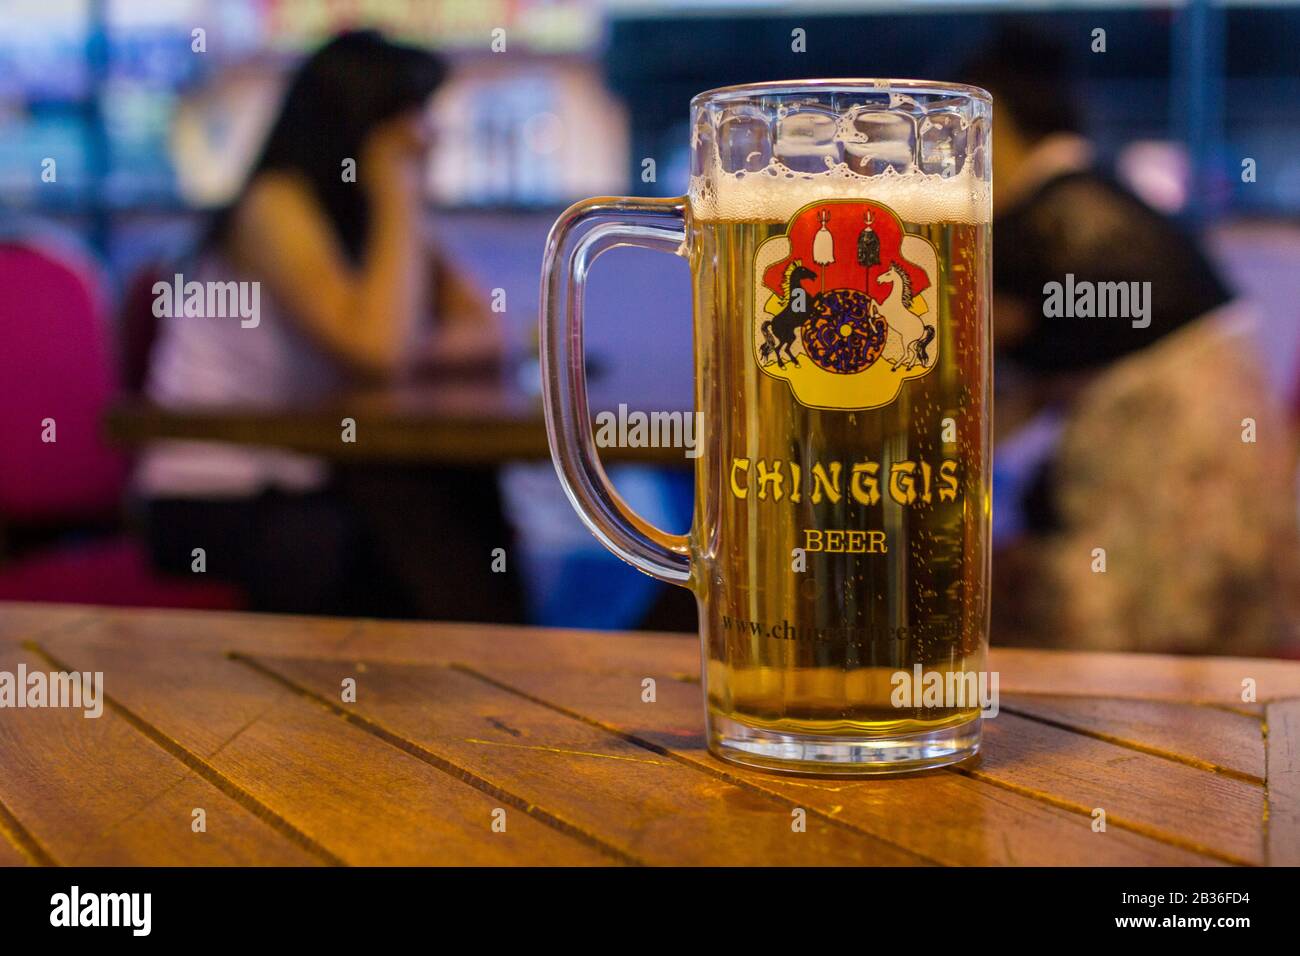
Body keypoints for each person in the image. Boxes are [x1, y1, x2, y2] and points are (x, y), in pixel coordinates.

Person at [137, 31, 524, 621]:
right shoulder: (275, 206)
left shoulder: (367, 218)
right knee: (391, 539)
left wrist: (399, 217)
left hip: (307, 467)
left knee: (461, 494)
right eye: (413, 118)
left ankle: (493, 683)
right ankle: (464, 690)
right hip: (214, 489)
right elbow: (377, 352)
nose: (430, 135)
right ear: (363, 125)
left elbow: (491, 334)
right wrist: (398, 193)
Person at [961, 26, 1300, 654]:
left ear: (998, 125)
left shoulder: (1038, 217)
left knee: (1128, 632)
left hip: (1171, 465)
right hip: (1231, 454)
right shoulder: (1096, 191)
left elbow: (993, 376)